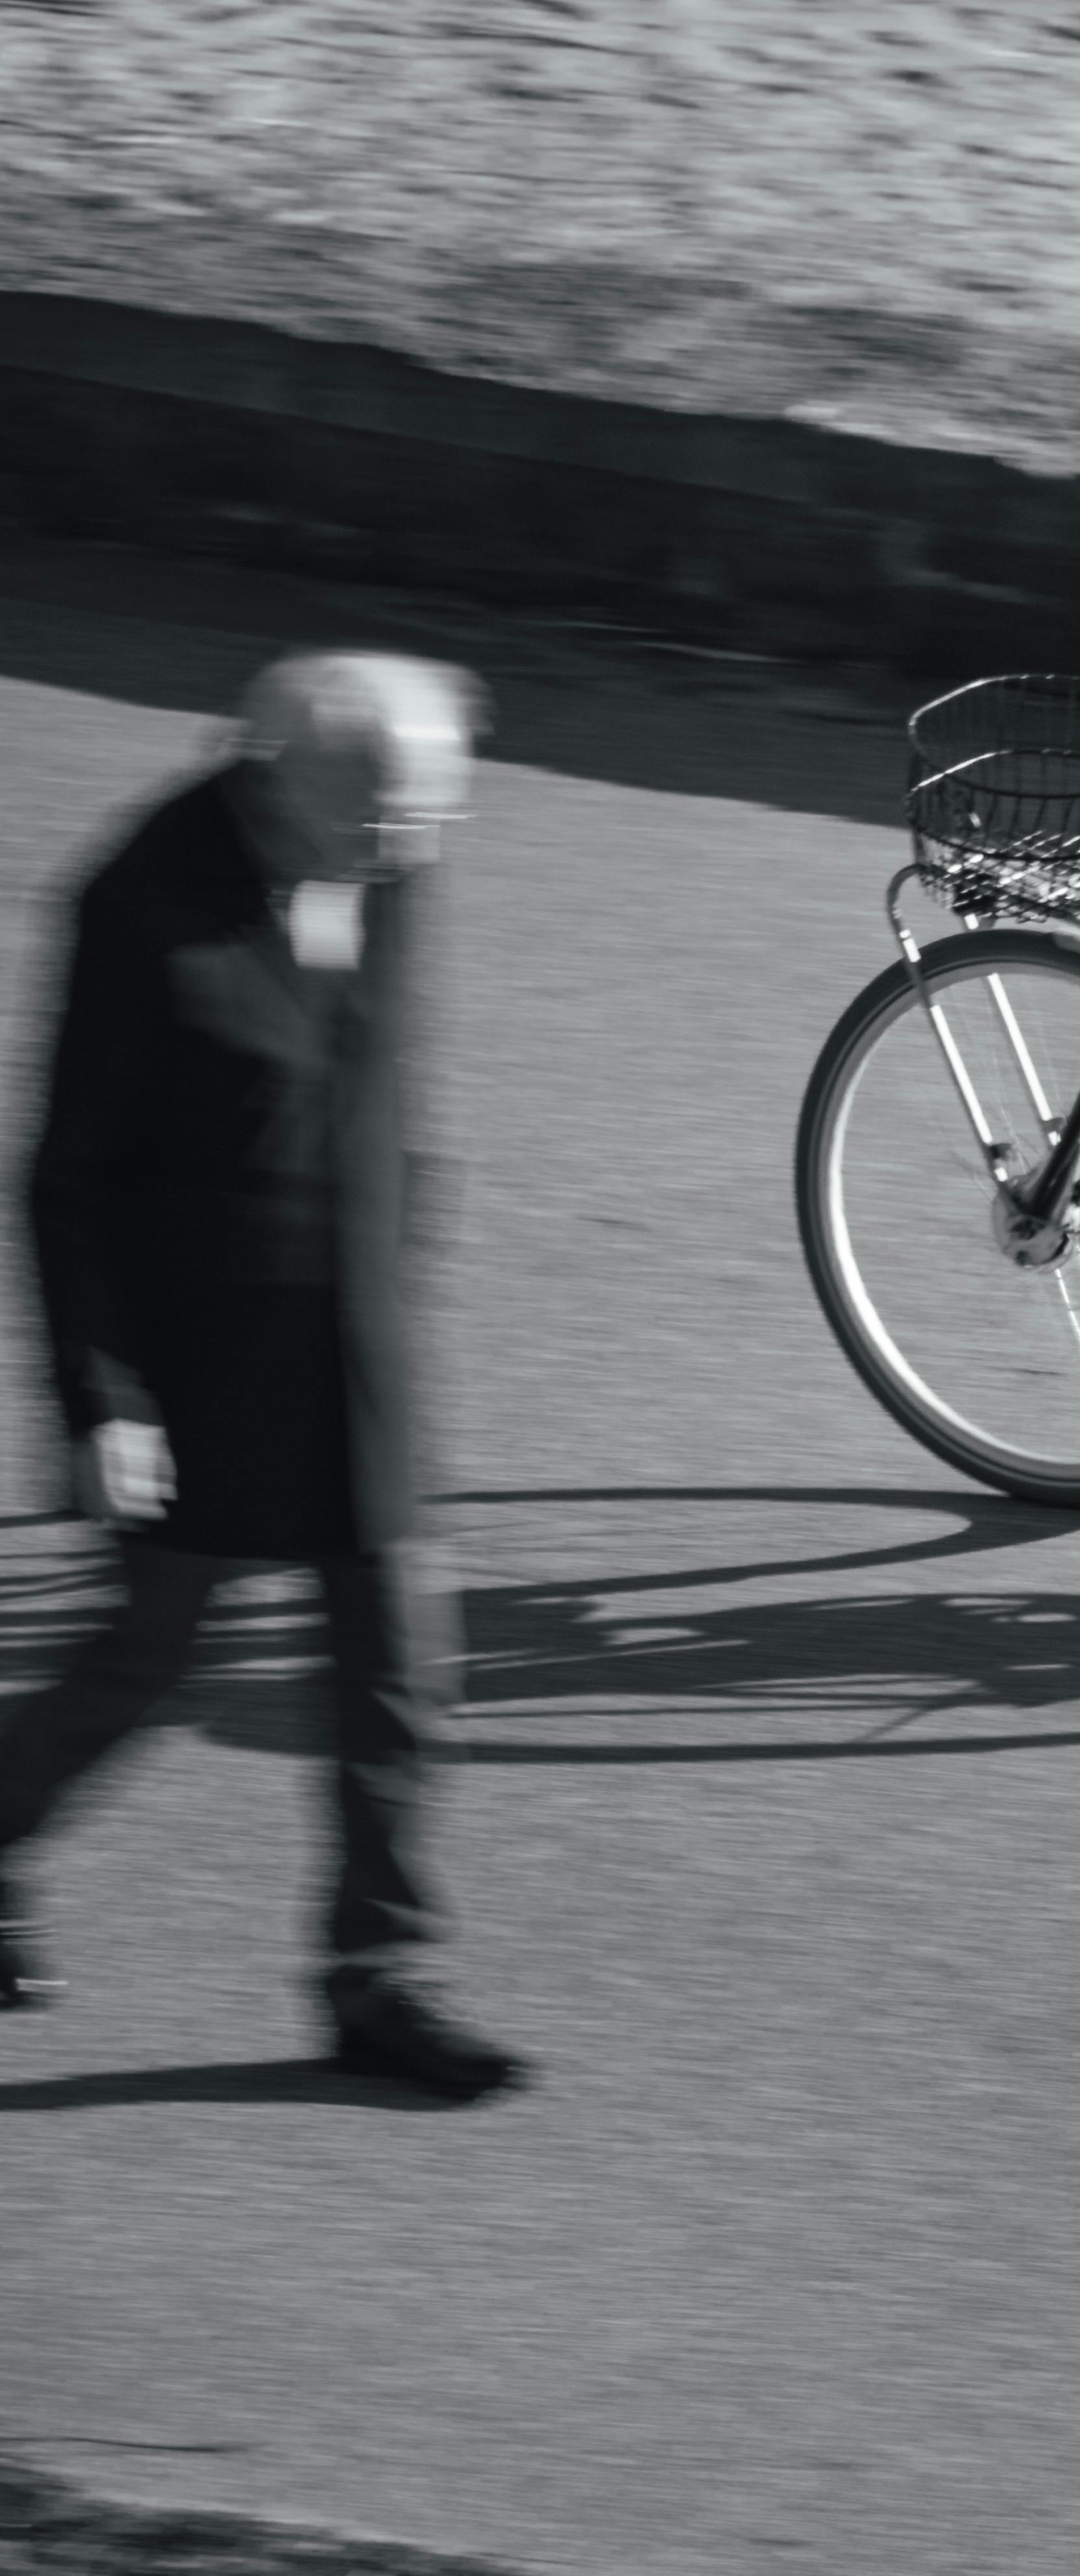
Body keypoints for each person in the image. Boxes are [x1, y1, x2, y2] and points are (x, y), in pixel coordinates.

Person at [0, 651, 525, 2100]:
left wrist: (410, 1237)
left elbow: (387, 1071)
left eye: (435, 818)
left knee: (402, 1674)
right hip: (198, 1359)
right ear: (290, 775)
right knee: (141, 1666)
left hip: (351, 1337)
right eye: (391, 817)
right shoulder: (140, 903)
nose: (416, 849)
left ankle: (378, 1978)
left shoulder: (384, 851)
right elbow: (68, 1180)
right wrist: (103, 1401)